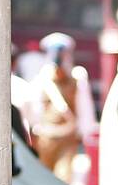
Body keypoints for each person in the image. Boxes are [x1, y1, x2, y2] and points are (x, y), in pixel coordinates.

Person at [28, 31, 97, 174]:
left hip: (67, 136)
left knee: (63, 177)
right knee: (44, 177)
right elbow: (35, 107)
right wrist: (36, 129)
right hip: (46, 137)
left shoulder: (77, 77)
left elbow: (84, 107)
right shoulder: (42, 79)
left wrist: (84, 132)